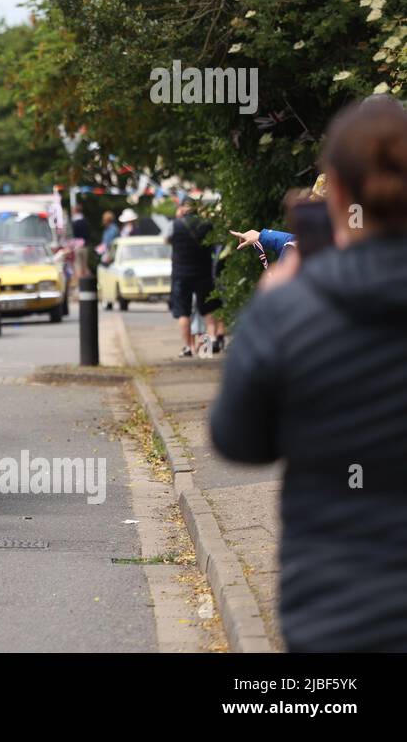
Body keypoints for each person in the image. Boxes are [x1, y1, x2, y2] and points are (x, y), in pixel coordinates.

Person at [210, 94, 407, 651]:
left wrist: (267, 311)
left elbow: (238, 439)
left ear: (336, 194)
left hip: (337, 614)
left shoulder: (296, 306)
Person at [167, 198, 224, 356]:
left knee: (183, 312)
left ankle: (187, 348)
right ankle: (208, 346)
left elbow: (166, 240)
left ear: (183, 209)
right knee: (208, 310)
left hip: (181, 274)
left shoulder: (174, 225)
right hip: (203, 273)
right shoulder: (206, 225)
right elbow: (216, 243)